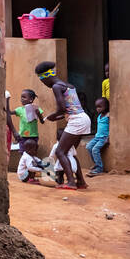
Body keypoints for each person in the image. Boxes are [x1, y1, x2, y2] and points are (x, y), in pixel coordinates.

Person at [35, 60, 89, 190]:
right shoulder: (67, 85)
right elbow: (70, 108)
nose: (44, 84)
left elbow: (61, 108)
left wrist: (53, 115)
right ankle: (81, 182)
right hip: (83, 118)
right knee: (71, 152)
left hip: (76, 121)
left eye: (43, 81)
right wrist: (57, 117)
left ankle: (71, 182)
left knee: (60, 151)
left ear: (46, 77)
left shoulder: (56, 87)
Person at [86, 97, 110, 177]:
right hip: (97, 137)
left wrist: (108, 138)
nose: (98, 109)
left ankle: (99, 168)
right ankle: (96, 164)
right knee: (89, 147)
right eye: (97, 107)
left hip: (104, 138)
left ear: (106, 106)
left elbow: (112, 127)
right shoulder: (99, 116)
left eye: (100, 107)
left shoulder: (108, 116)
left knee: (95, 149)